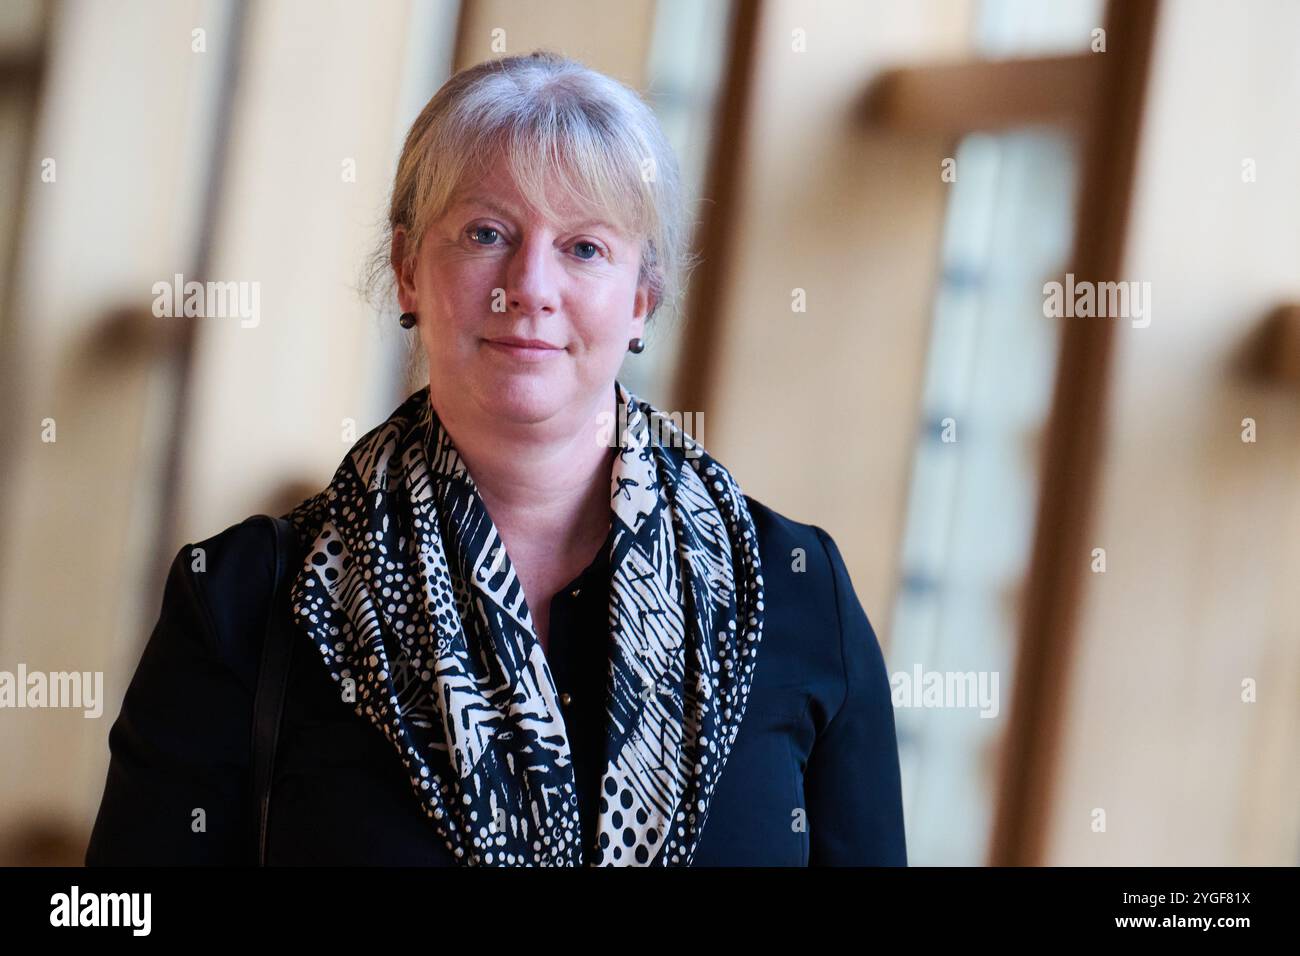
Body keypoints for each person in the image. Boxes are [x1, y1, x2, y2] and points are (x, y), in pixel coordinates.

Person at [85, 50, 906, 867]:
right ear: (408, 269)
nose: (530, 286)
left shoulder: (796, 591)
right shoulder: (246, 601)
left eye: (585, 248)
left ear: (641, 301)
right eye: (487, 234)